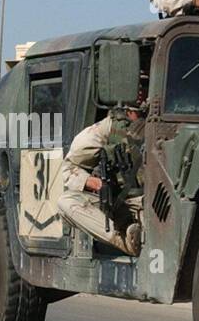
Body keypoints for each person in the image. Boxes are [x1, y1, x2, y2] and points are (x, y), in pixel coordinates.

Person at [57, 84, 147, 257]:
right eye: (138, 84)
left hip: (154, 205)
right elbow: (68, 168)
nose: (142, 93)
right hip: (123, 206)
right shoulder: (107, 128)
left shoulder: (172, 118)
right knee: (66, 202)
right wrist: (93, 182)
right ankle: (124, 241)